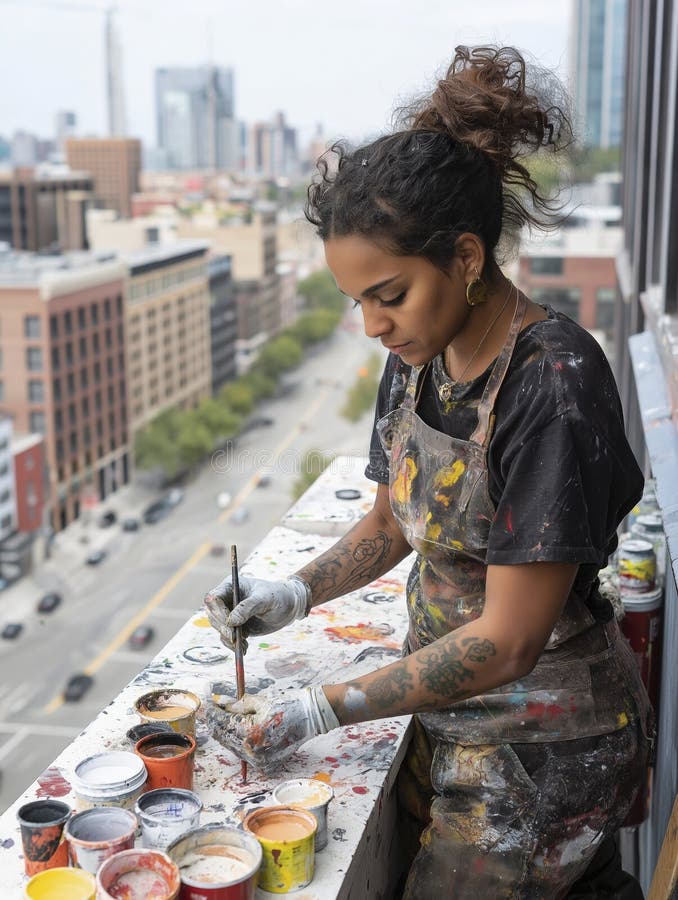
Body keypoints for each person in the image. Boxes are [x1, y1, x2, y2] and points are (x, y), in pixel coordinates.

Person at [205, 45, 653, 899]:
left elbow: (509, 639)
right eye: (358, 302)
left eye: (390, 294)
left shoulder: (552, 384)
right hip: (450, 712)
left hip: (543, 742)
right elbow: (390, 522)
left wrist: (322, 706)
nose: (373, 325)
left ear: (468, 257)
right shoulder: (420, 358)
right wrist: (292, 593)